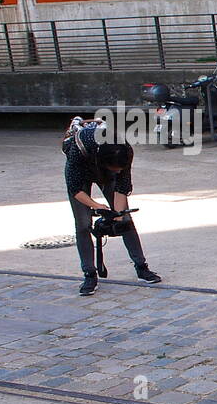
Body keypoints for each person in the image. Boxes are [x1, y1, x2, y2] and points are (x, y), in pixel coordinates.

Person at [63, 120, 161, 295]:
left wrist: (116, 214)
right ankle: (90, 274)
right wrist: (98, 206)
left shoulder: (124, 151)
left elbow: (122, 187)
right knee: (83, 224)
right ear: (104, 162)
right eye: (115, 169)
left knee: (124, 219)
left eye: (120, 169)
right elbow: (75, 189)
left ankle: (141, 266)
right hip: (81, 171)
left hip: (105, 167)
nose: (118, 172)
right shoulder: (78, 148)